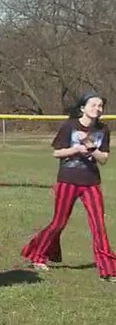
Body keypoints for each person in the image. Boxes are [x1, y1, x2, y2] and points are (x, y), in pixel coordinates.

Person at [21, 92, 116, 282]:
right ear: (82, 108)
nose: (97, 109)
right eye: (93, 105)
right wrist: (75, 149)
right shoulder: (69, 126)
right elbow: (57, 153)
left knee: (99, 225)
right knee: (58, 223)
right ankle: (37, 254)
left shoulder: (103, 130)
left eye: (100, 106)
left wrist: (91, 148)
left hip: (91, 183)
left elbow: (104, 159)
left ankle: (109, 269)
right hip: (68, 180)